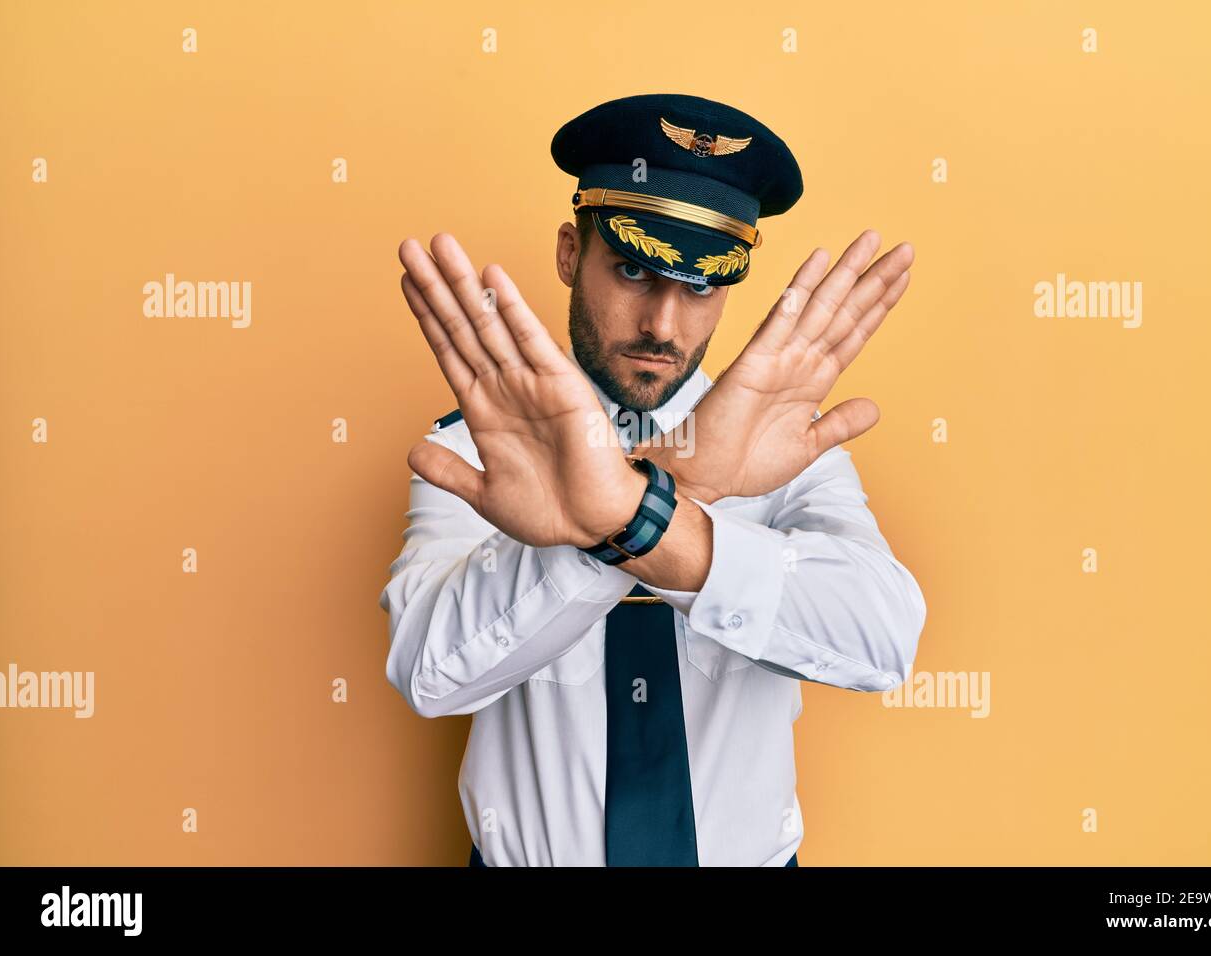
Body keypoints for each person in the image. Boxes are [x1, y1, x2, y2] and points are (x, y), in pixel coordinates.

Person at [379, 93, 926, 866]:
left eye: (701, 286)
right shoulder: (481, 445)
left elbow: (882, 639)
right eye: (633, 268)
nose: (664, 327)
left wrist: (637, 512)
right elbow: (430, 673)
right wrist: (673, 489)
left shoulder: (788, 446)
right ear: (571, 253)